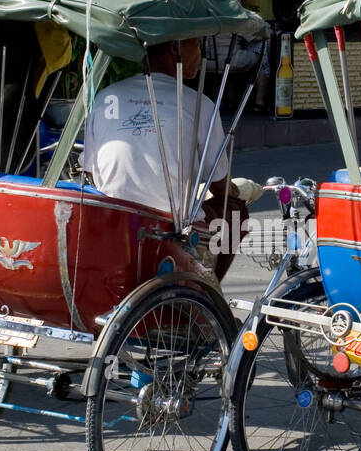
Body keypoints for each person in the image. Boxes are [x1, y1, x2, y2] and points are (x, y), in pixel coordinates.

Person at [84, 37, 248, 280]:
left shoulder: (107, 96)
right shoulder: (199, 103)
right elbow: (220, 186)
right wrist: (236, 192)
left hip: (114, 221)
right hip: (170, 227)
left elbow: (91, 172)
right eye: (196, 46)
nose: (201, 55)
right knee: (235, 212)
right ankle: (209, 292)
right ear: (175, 49)